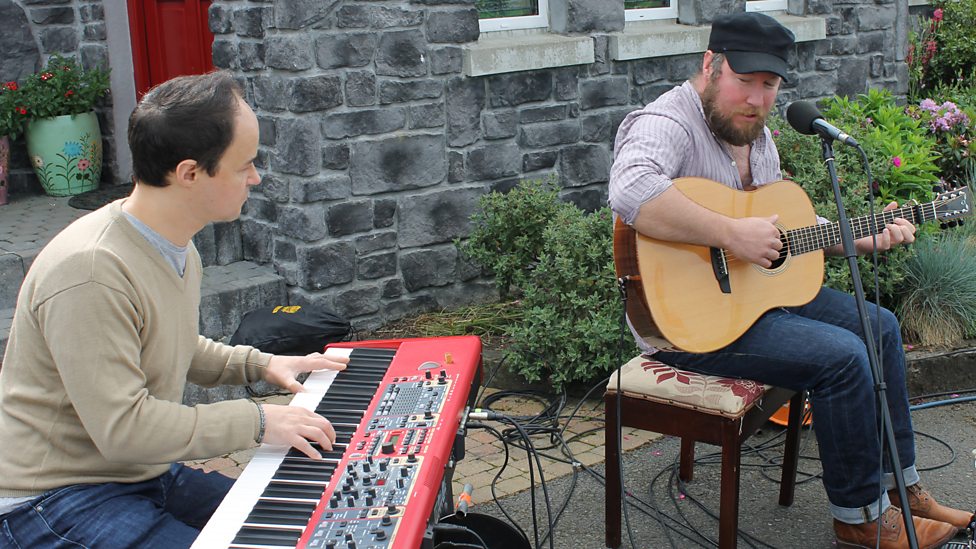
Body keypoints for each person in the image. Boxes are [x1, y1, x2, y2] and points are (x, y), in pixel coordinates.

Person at [608, 11, 971, 549]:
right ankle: (858, 515)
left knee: (882, 327)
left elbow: (784, 225)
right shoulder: (668, 122)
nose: (757, 99)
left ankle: (901, 489)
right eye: (745, 81)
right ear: (711, 64)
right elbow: (631, 190)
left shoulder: (755, 136)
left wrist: (857, 235)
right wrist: (730, 233)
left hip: (752, 304)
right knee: (844, 358)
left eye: (770, 85)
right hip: (685, 327)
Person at [0, 71, 351, 548]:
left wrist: (265, 364)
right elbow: (124, 429)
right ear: (189, 173)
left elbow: (173, 343)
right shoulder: (90, 271)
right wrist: (262, 422)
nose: (256, 176)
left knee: (301, 525)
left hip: (134, 473)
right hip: (51, 498)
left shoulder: (175, 245)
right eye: (244, 164)